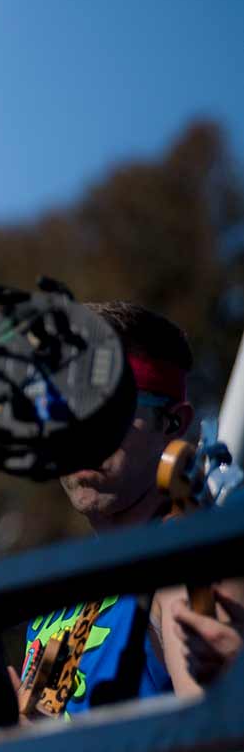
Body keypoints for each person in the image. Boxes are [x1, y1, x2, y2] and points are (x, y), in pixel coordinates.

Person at [17, 301, 241, 717]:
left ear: (172, 424)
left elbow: (214, 747)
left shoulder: (185, 566)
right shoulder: (65, 591)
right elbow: (49, 720)